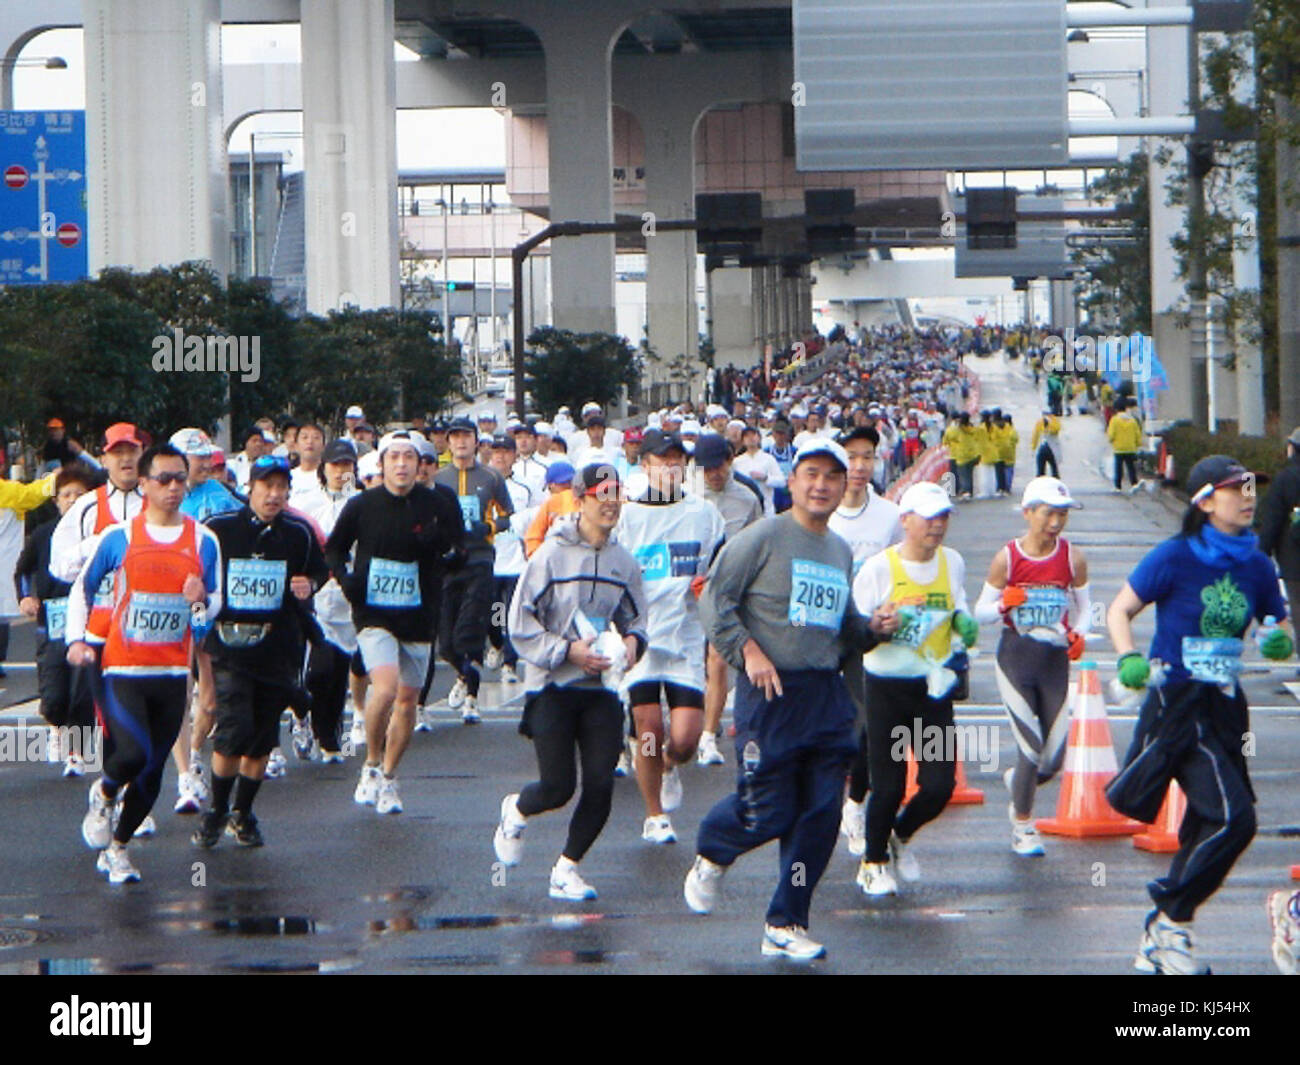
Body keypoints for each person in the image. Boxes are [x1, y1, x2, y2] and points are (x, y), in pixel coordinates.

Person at [684, 438, 891, 961]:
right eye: (811, 475)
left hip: (824, 696)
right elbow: (714, 600)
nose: (821, 485)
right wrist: (747, 651)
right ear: (793, 482)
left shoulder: (840, 551)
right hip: (770, 692)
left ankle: (786, 920)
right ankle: (712, 852)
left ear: (845, 485)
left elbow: (843, 631)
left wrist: (874, 629)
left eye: (832, 477)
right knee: (766, 811)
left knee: (820, 816)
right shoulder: (763, 537)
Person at [1105, 455, 1291, 974]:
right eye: (1237, 489)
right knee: (1235, 817)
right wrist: (1129, 658)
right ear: (1205, 501)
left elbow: (1277, 624)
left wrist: (1276, 638)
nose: (1250, 496)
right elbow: (1119, 609)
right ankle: (1168, 915)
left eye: (1253, 487)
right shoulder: (1175, 556)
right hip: (1178, 705)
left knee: (1209, 820)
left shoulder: (1256, 564)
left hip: (1226, 705)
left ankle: (1167, 936)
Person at [66, 443, 222, 883]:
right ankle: (105, 790)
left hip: (173, 672)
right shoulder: (120, 538)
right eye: (164, 479)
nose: (174, 488)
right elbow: (84, 589)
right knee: (132, 754)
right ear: (146, 485)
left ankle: (118, 848)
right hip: (121, 668)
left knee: (153, 775)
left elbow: (210, 611)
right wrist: (76, 641)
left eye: (180, 479)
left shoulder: (204, 541)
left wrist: (201, 601)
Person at [493, 463, 648, 901]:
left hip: (601, 691)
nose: (612, 502)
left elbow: (637, 618)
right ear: (579, 501)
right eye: (602, 493)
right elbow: (518, 622)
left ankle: (567, 869)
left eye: (617, 492)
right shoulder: (549, 557)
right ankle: (516, 811)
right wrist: (566, 651)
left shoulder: (623, 561)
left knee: (602, 782)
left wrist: (634, 643)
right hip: (552, 687)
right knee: (558, 787)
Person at [192, 454, 329, 848]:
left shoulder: (298, 532)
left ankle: (243, 812)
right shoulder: (218, 530)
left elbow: (319, 569)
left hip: (279, 646)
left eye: (281, 487)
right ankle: (216, 811)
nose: (274, 495)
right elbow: (196, 578)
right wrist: (199, 622)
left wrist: (309, 584)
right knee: (234, 729)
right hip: (231, 644)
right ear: (250, 487)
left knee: (263, 736)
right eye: (266, 486)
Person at [325, 431, 465, 814]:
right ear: (381, 464)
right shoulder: (362, 505)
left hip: (419, 613)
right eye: (394, 458)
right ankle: (370, 762)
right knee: (384, 689)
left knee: (407, 700)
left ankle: (389, 776)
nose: (402, 464)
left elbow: (460, 549)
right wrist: (345, 577)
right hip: (373, 612)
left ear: (420, 465)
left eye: (409, 457)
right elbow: (334, 547)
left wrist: (446, 552)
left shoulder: (438, 504)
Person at [851, 481, 979, 897]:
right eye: (928, 518)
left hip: (932, 687)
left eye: (943, 518)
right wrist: (880, 627)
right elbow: (854, 631)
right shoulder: (879, 569)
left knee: (940, 785)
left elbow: (957, 604)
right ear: (905, 520)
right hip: (886, 688)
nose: (937, 526)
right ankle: (872, 863)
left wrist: (962, 623)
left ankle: (898, 837)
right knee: (887, 786)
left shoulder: (952, 562)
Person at [617, 429, 727, 843]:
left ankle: (669, 764)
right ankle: (654, 815)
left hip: (684, 633)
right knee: (647, 726)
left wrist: (709, 587)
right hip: (640, 633)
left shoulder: (703, 513)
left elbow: (720, 564)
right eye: (662, 461)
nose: (671, 467)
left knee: (683, 739)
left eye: (677, 460)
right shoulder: (627, 514)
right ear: (644, 465)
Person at [972, 477, 1090, 855]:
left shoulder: (1072, 557)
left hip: (1054, 661)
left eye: (1062, 514)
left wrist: (1079, 635)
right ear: (1028, 513)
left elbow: (1085, 609)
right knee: (1031, 747)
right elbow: (979, 614)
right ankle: (1023, 825)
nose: (1055, 521)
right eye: (1048, 513)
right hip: (1015, 659)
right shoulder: (1008, 557)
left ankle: (1019, 782)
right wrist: (1004, 604)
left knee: (1053, 757)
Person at [829, 426, 904, 856]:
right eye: (851, 457)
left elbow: (901, 571)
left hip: (867, 636)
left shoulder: (889, 516)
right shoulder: (821, 510)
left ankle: (855, 803)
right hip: (822, 634)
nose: (858, 467)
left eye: (866, 457)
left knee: (867, 727)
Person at [15, 464, 96, 774]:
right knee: (55, 692)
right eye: (66, 495)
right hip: (53, 617)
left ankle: (75, 753)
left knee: (82, 688)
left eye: (80, 494)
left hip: (88, 618)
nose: (73, 500)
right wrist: (26, 597)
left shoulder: (99, 533)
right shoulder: (43, 533)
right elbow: (23, 570)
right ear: (56, 501)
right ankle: (55, 726)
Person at [434, 417, 514, 723]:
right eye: (455, 437)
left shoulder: (491, 477)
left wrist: (489, 526)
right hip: (448, 561)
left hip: (481, 558)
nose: (461, 442)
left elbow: (508, 516)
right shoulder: (440, 479)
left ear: (476, 441)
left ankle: (472, 697)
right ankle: (463, 674)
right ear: (449, 442)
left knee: (470, 626)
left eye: (466, 436)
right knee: (447, 638)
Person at [296, 439, 361, 760]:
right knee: (318, 670)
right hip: (316, 597)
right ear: (324, 468)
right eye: (336, 465)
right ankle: (303, 716)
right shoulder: (306, 503)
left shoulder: (363, 503)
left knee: (339, 672)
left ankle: (330, 737)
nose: (341, 472)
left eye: (347, 465)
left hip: (349, 597)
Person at [484, 433, 538, 688]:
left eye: (505, 452)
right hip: (490, 560)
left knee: (513, 614)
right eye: (496, 451)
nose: (500, 456)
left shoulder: (525, 487)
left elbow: (536, 519)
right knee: (495, 613)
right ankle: (495, 643)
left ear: (514, 456)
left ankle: (510, 663)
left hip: (516, 562)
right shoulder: (481, 485)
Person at [1255, 425, 1300, 645]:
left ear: (1293, 448)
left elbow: (1272, 520)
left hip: (1294, 558)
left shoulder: (1285, 479)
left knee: (1298, 607)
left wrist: (1261, 554)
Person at [523, 462, 577, 558]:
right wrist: (539, 560)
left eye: (570, 482)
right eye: (563, 483)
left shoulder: (585, 500)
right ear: (550, 486)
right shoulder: (547, 505)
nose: (568, 487)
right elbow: (533, 537)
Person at [733, 425, 785, 516]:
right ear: (743, 441)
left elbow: (782, 482)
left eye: (753, 435)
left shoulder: (769, 459)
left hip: (766, 508)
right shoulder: (737, 462)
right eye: (747, 436)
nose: (750, 438)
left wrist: (765, 478)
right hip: (745, 509)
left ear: (759, 438)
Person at [1107, 398, 1143, 491]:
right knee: (1131, 467)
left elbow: (1111, 435)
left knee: (1118, 468)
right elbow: (1137, 434)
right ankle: (1134, 483)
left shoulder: (1114, 420)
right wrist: (1138, 444)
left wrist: (1111, 441)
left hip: (1119, 448)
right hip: (1131, 447)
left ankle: (1118, 486)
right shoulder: (1132, 420)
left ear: (1116, 409)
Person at [1031, 411, 1061, 478]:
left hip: (1044, 447)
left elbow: (1035, 436)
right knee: (1054, 469)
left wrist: (1033, 447)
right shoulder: (1055, 421)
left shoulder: (1040, 422)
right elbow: (1057, 429)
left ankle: (1041, 479)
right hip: (1052, 448)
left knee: (1042, 470)